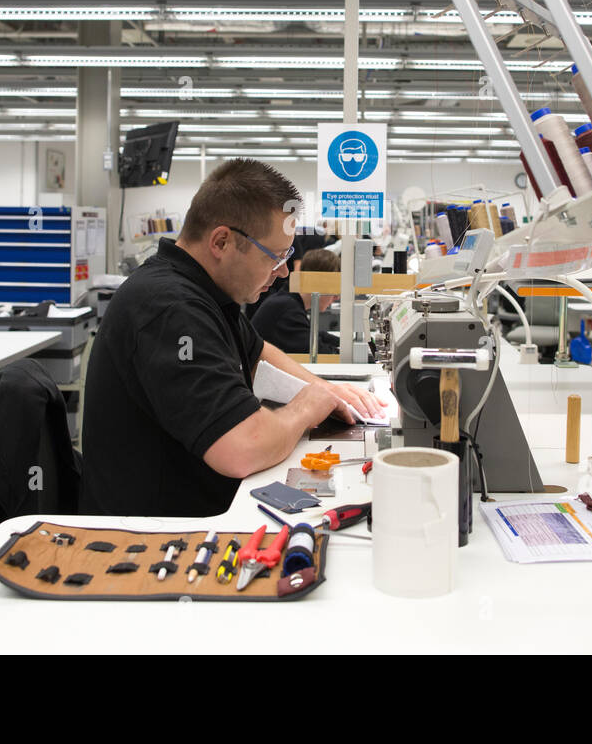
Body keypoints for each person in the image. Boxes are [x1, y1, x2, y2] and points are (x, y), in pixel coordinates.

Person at [79, 158, 385, 517]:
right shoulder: (169, 307)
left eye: (287, 256)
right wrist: (306, 406)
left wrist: (328, 392)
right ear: (222, 241)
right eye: (275, 256)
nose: (284, 271)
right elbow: (243, 447)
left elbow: (257, 354)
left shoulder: (204, 292)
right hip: (157, 533)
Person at [251, 248, 340, 355]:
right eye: (334, 288)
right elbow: (319, 351)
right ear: (320, 282)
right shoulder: (287, 309)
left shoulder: (289, 302)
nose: (336, 297)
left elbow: (314, 335)